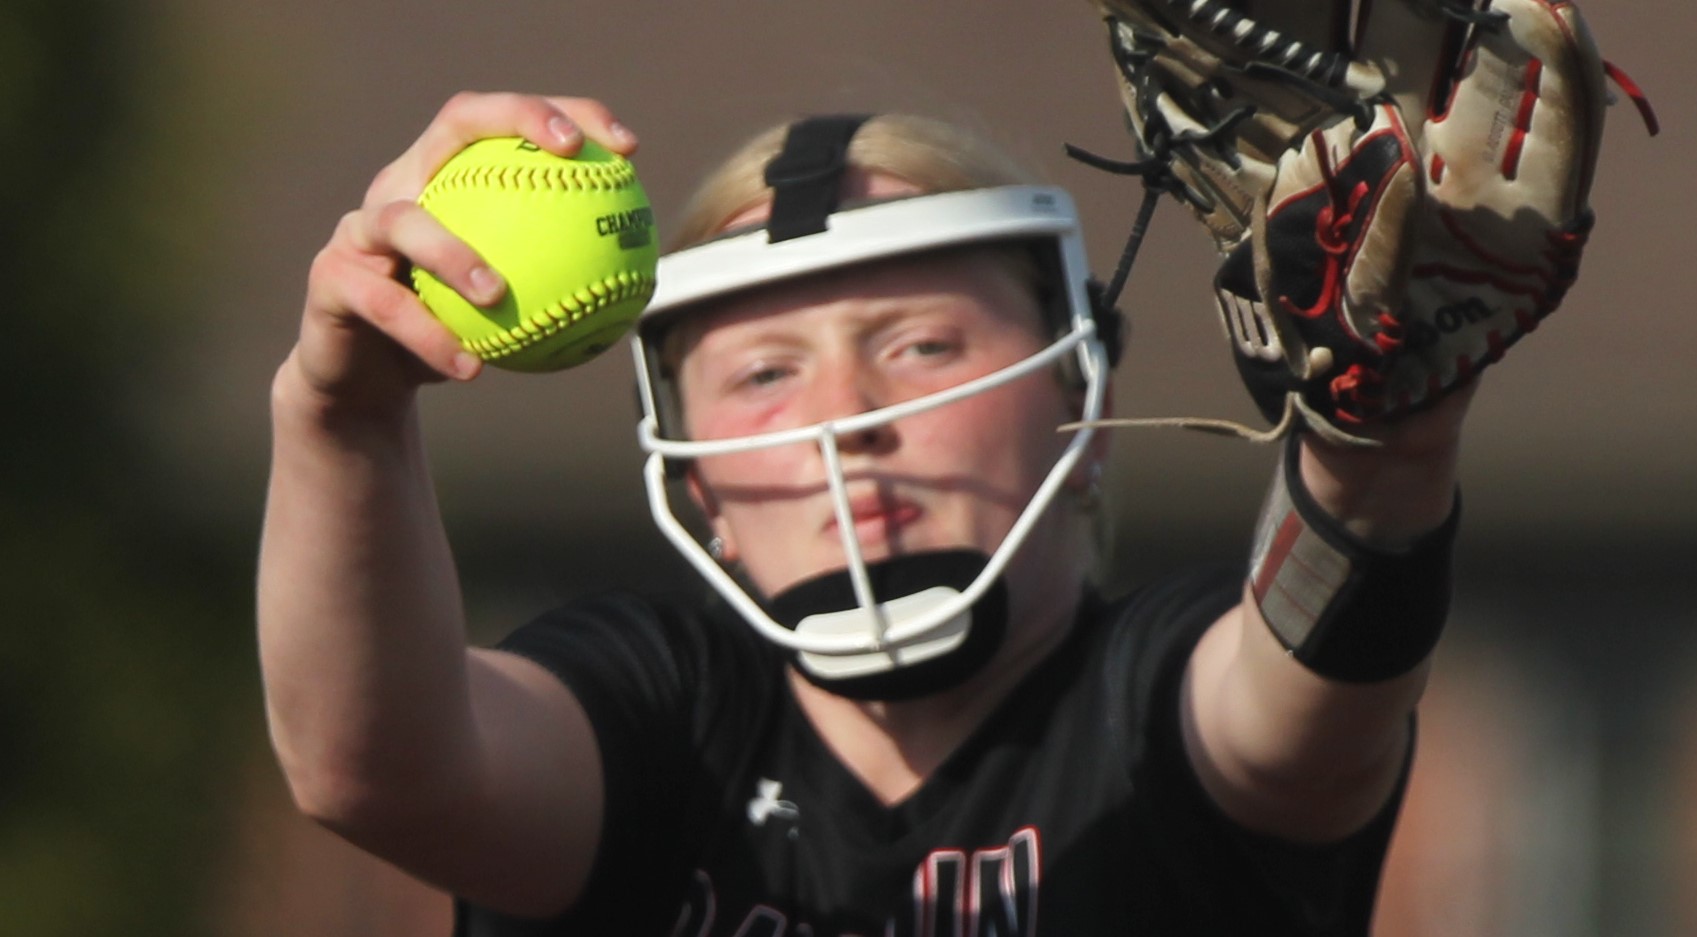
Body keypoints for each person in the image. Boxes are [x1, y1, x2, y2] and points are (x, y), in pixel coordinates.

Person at [258, 91, 1469, 935]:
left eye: (922, 344)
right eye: (764, 372)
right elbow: (374, 768)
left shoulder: (1154, 696)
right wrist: (344, 420)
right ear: (699, 485)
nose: (846, 412)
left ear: (1081, 403)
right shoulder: (658, 715)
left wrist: (1379, 439)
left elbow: (1299, 704)